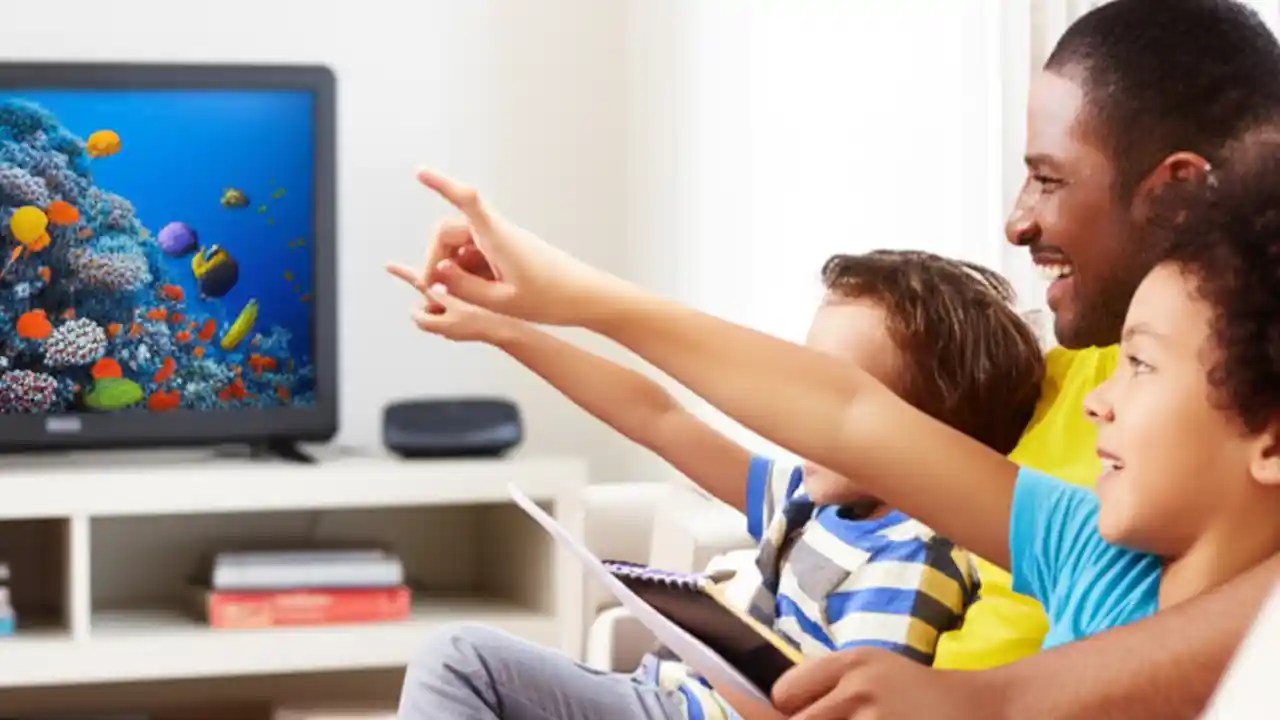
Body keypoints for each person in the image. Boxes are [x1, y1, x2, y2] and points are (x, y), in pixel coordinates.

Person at [394, 249, 1045, 720]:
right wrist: (503, 331)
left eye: (828, 395)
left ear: (914, 430)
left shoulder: (912, 557)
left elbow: (849, 705)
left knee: (459, 659)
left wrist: (720, 662)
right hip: (664, 697)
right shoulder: (808, 497)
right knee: (463, 662)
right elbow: (657, 417)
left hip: (691, 710)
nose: (795, 415)